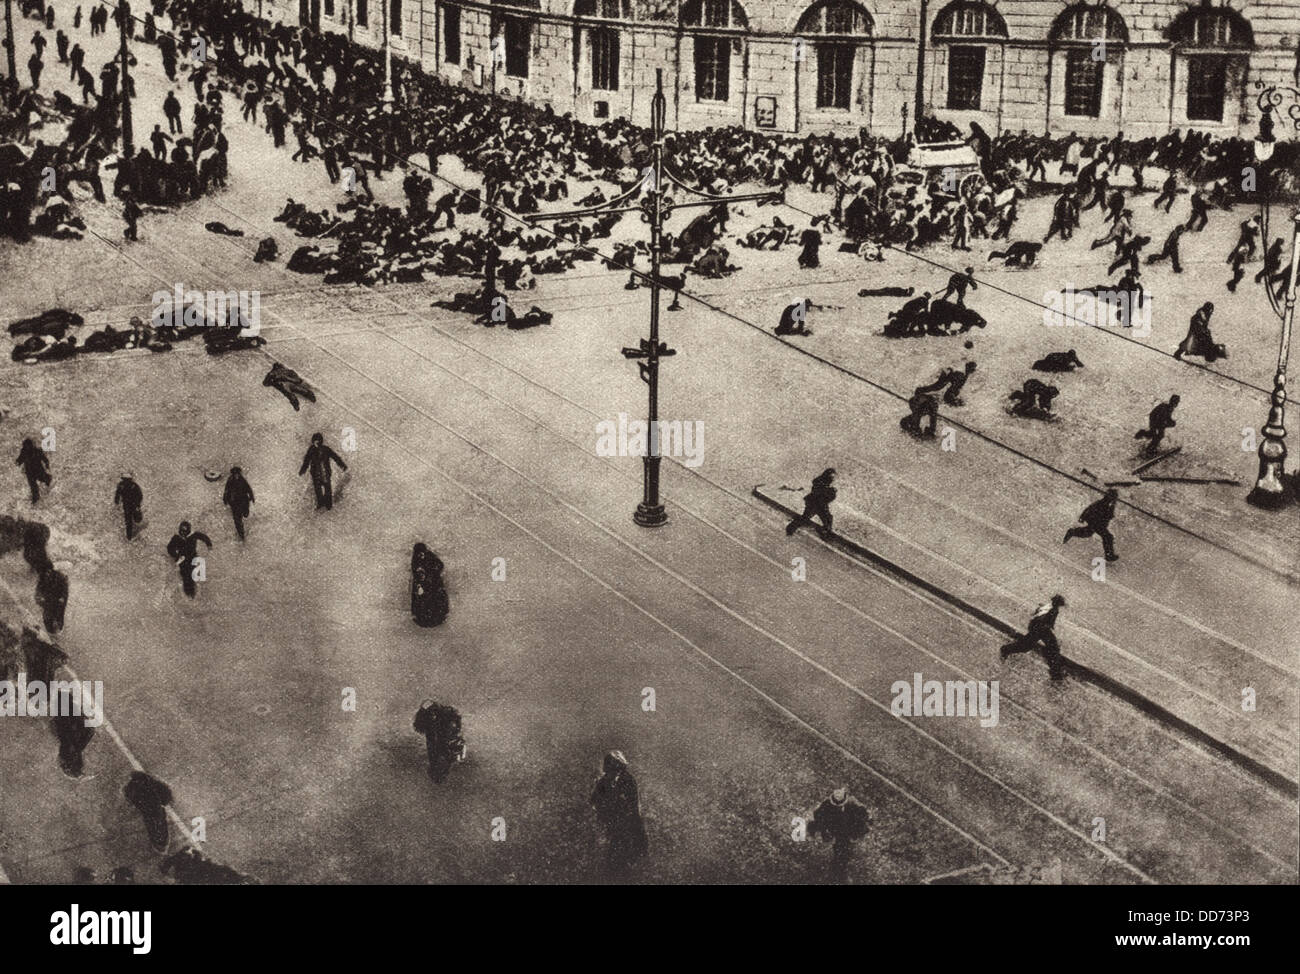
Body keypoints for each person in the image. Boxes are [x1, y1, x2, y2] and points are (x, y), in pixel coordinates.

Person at [589, 750, 648, 872]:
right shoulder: (604, 781)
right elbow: (593, 800)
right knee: (613, 856)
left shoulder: (628, 780)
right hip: (611, 824)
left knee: (622, 856)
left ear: (620, 767)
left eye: (614, 768)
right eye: (608, 768)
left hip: (626, 824)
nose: (611, 772)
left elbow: (634, 807)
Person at [808, 787, 870, 882]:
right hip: (835, 828)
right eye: (835, 804)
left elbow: (864, 815)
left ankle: (839, 871)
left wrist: (859, 830)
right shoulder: (826, 804)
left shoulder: (853, 804)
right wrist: (821, 830)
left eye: (839, 804)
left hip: (846, 830)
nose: (837, 806)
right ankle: (837, 871)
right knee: (840, 851)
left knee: (843, 853)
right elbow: (818, 816)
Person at [1000, 595, 1067, 682]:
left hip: (1039, 628)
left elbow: (1037, 614)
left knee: (1045, 647)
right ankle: (1056, 673)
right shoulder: (1053, 610)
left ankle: (1056, 673)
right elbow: (1043, 620)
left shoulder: (1047, 606)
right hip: (1041, 629)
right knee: (1033, 647)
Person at [412, 700, 466, 784]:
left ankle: (439, 770)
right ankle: (438, 770)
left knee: (439, 748)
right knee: (434, 748)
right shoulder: (427, 716)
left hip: (443, 728)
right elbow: (419, 725)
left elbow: (456, 725)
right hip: (436, 729)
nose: (433, 715)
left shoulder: (447, 716)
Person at [1063, 488, 1120, 562]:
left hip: (1096, 522)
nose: (1114, 499)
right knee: (1107, 537)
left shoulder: (1105, 503)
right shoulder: (1103, 503)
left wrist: (1083, 517)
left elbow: (1091, 509)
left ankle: (1072, 532)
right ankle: (1109, 555)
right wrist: (1082, 517)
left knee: (1088, 533)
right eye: (1114, 497)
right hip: (1096, 522)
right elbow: (1108, 515)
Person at [123, 771, 173, 853]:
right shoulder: (152, 784)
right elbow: (165, 794)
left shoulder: (133, 787)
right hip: (154, 807)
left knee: (153, 824)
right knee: (158, 822)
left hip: (148, 809)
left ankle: (159, 844)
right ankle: (161, 843)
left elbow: (130, 797)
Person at [299, 432, 347, 511]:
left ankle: (327, 505)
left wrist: (342, 465)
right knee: (321, 490)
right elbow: (306, 461)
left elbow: (335, 457)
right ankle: (323, 504)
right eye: (316, 441)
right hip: (319, 473)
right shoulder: (314, 450)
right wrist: (302, 470)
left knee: (325, 489)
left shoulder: (322, 449)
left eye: (318, 441)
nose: (317, 443)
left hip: (323, 473)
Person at [51, 690, 94, 778]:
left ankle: (76, 771)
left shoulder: (71, 744)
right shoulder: (73, 744)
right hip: (71, 729)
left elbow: (88, 730)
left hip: (70, 729)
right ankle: (75, 771)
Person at [785, 468, 836, 539]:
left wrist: (831, 491)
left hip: (820, 504)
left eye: (833, 477)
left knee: (828, 518)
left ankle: (825, 533)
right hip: (815, 504)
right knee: (806, 518)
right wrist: (831, 491)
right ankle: (790, 528)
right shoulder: (820, 482)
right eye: (831, 477)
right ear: (827, 476)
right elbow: (819, 493)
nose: (833, 479)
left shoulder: (822, 483)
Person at [166, 521, 212, 599]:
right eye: (181, 532)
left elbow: (203, 537)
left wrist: (209, 544)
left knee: (192, 576)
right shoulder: (176, 538)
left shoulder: (193, 535)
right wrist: (176, 556)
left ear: (188, 531)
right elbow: (170, 548)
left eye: (184, 532)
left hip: (192, 559)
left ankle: (192, 592)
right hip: (183, 560)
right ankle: (189, 594)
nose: (182, 534)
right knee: (185, 576)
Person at [410, 543, 449, 627]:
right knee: (422, 600)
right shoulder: (415, 558)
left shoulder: (431, 556)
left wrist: (430, 571)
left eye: (422, 553)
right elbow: (414, 570)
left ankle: (437, 616)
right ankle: (423, 617)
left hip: (433, 582)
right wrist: (419, 577)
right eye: (418, 553)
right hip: (422, 583)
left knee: (434, 598)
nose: (420, 555)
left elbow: (440, 565)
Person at [222, 466, 255, 540]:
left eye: (237, 474)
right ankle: (241, 534)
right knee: (237, 519)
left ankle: (245, 513)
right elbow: (226, 490)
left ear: (239, 474)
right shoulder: (230, 481)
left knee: (245, 514)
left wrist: (252, 497)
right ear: (233, 474)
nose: (236, 475)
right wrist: (225, 499)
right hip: (235, 503)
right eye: (235, 474)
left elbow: (248, 488)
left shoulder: (242, 480)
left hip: (244, 500)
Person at [16, 436, 51, 503]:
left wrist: (47, 466)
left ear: (32, 445)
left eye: (28, 446)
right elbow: (19, 461)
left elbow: (45, 460)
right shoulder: (24, 452)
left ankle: (48, 480)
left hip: (38, 470)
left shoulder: (37, 451)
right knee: (34, 488)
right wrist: (17, 463)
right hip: (30, 473)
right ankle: (35, 500)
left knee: (45, 479)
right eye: (25, 446)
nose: (27, 448)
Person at [35, 563, 69, 634]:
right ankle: (49, 631)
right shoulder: (42, 577)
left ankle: (59, 631)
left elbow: (65, 589)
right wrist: (38, 597)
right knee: (47, 616)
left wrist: (62, 597)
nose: (47, 573)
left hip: (58, 599)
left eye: (48, 571)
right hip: (48, 599)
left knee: (58, 614)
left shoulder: (60, 576)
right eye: (45, 572)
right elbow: (38, 589)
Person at [113, 472, 143, 540]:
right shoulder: (122, 485)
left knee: (135, 519)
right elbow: (117, 495)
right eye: (125, 479)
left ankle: (132, 532)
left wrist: (138, 504)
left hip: (133, 504)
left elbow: (140, 495)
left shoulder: (133, 485)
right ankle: (129, 536)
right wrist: (116, 502)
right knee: (128, 520)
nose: (126, 481)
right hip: (127, 505)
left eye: (127, 480)